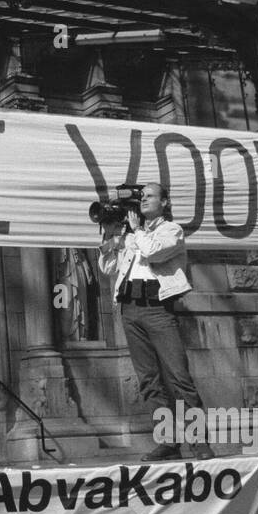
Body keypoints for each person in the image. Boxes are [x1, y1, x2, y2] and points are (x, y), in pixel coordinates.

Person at [98, 182, 213, 462]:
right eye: (143, 197)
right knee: (149, 381)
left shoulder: (171, 230)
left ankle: (199, 443)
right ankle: (169, 442)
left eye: (150, 196)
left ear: (164, 202)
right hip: (130, 309)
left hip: (158, 308)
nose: (145, 200)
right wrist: (110, 239)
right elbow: (108, 268)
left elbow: (153, 253)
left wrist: (136, 231)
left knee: (178, 378)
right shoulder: (131, 235)